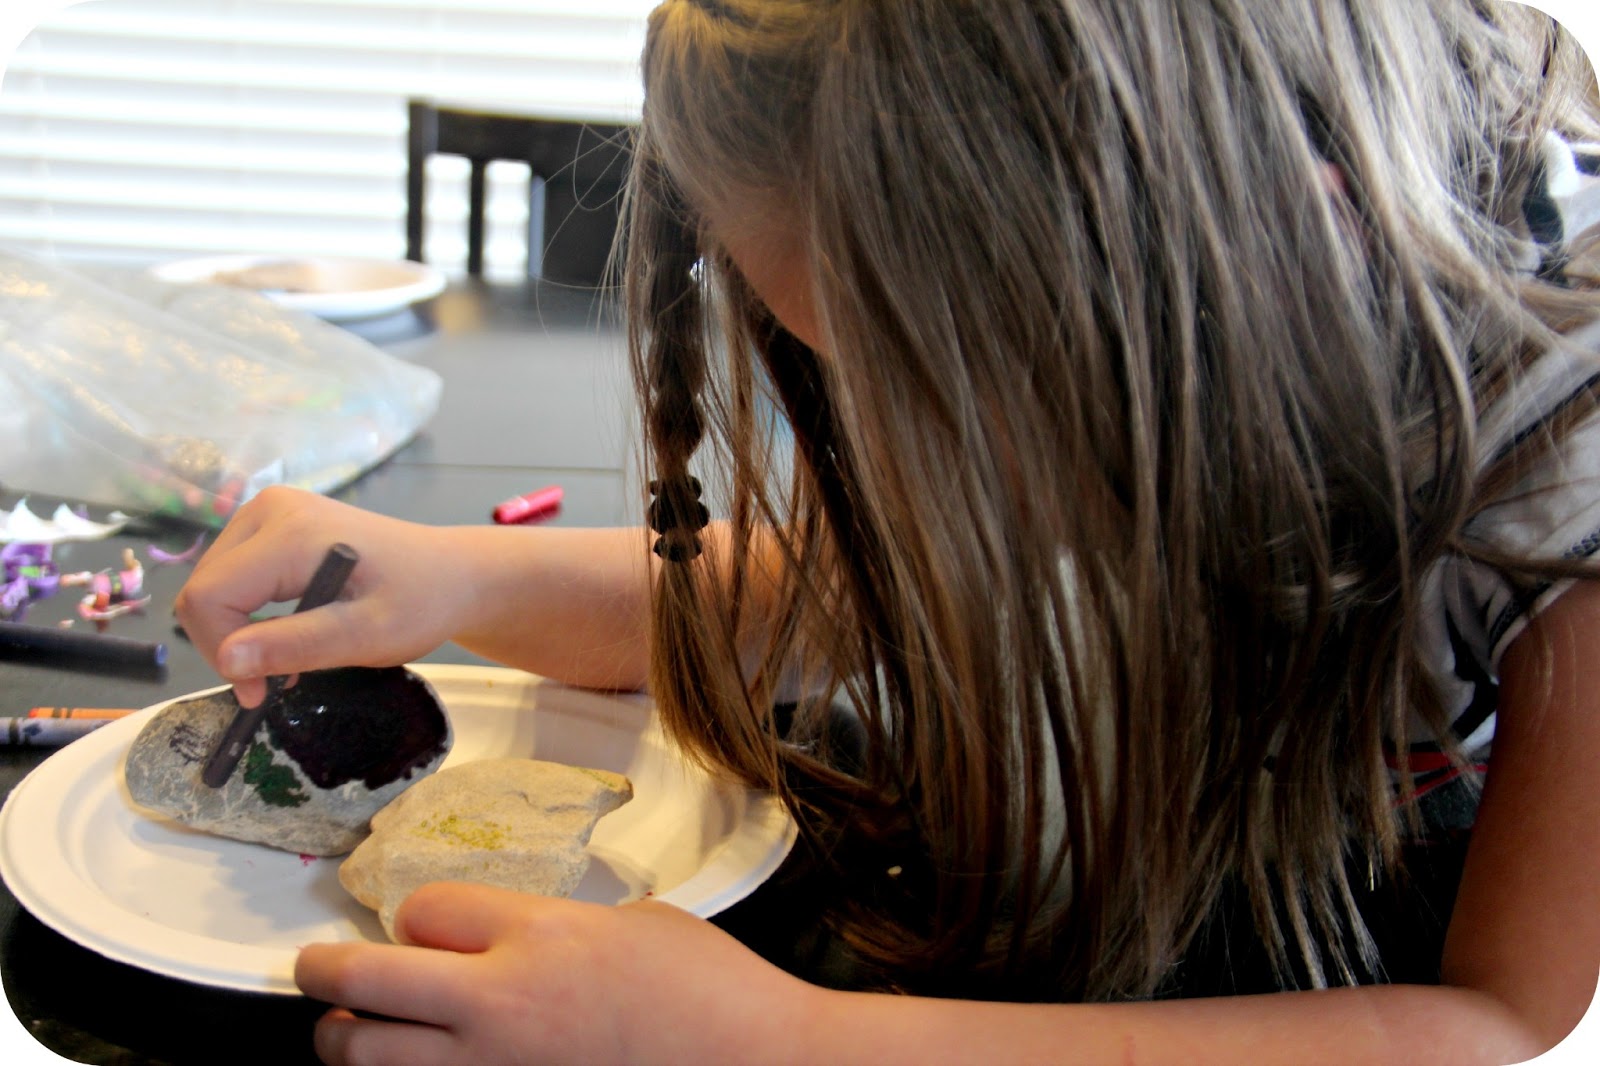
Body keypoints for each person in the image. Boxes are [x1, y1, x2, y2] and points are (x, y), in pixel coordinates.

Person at [175, 1, 1600, 1061]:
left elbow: (1500, 1020)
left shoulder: (1564, 469)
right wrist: (459, 576)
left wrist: (776, 1041)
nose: (897, 460)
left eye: (933, 389)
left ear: (1246, 252)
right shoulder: (1167, 293)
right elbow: (829, 595)